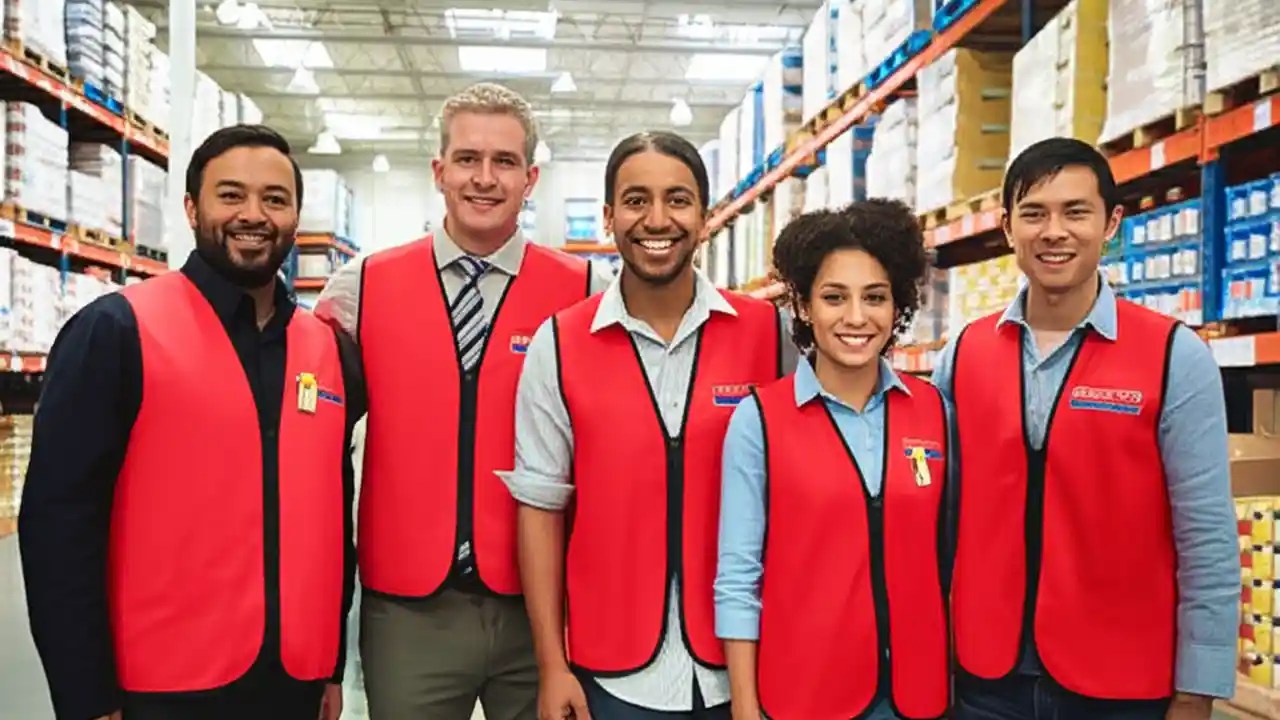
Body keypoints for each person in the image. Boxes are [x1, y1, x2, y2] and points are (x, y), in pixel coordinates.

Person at [19, 124, 363, 720]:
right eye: (230, 195)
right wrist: (85, 694)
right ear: (191, 207)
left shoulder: (327, 350)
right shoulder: (117, 331)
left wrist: (329, 662)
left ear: (295, 215)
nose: (253, 214)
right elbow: (58, 525)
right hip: (161, 685)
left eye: (274, 199)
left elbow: (334, 510)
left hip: (292, 679)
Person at [314, 82, 612, 719]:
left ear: (530, 177)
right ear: (438, 170)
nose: (484, 178)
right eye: (468, 159)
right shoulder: (361, 286)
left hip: (543, 608)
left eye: (504, 161)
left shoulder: (587, 291)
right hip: (408, 610)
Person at [932, 137, 1239, 720]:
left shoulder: (1174, 355)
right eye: (1033, 213)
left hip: (1121, 684)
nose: (1054, 231)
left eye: (1075, 212)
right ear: (1007, 228)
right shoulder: (964, 354)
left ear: (1111, 223)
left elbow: (1207, 541)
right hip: (985, 680)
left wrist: (1197, 689)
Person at [505, 130, 796, 720]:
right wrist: (552, 665)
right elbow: (540, 509)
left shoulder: (770, 336)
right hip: (609, 675)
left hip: (743, 670)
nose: (657, 219)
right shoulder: (559, 345)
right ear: (610, 217)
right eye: (637, 200)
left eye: (678, 199)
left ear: (706, 217)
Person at [715, 200, 952, 720]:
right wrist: (746, 709)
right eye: (833, 297)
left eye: (875, 298)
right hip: (804, 694)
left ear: (899, 306)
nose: (856, 318)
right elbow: (737, 577)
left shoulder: (933, 411)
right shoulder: (760, 422)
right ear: (801, 305)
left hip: (917, 696)